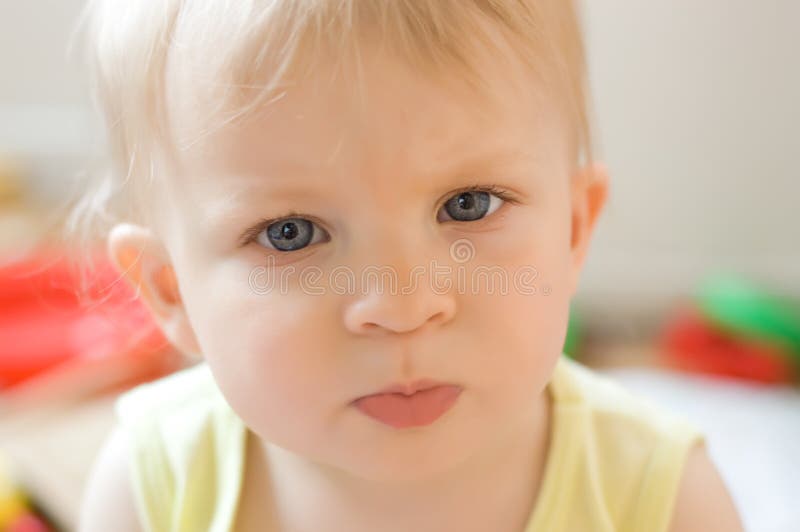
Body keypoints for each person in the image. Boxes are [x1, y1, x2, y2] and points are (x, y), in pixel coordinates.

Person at [74, 1, 743, 530]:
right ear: (172, 293)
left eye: (468, 205)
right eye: (291, 233)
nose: (402, 306)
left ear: (572, 229)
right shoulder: (150, 492)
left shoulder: (661, 504)